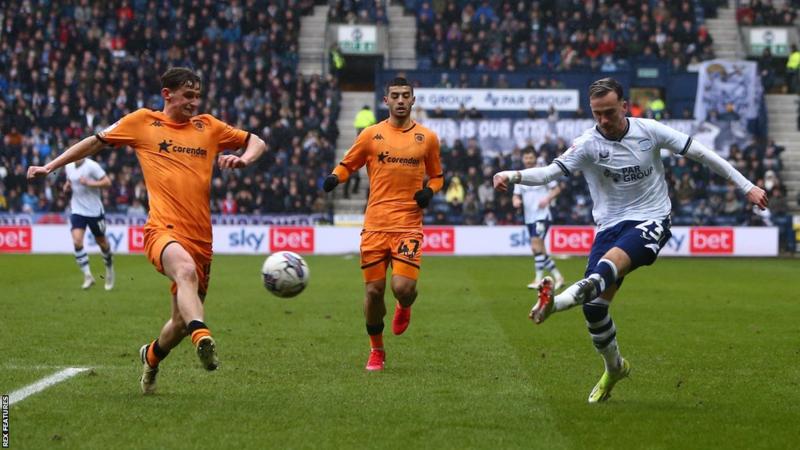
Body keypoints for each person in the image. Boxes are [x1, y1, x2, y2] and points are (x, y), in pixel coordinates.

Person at [493, 78, 767, 403]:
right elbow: (550, 173)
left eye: (609, 112)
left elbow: (703, 154)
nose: (604, 120)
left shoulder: (649, 130)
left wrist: (747, 185)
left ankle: (553, 306)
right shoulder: (588, 145)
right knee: (595, 308)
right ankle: (614, 368)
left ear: (625, 106)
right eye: (597, 114)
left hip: (652, 219)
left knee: (605, 270)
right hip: (608, 227)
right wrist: (513, 175)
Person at [27, 67, 266, 394]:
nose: (194, 102)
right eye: (188, 96)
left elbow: (256, 140)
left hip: (202, 237)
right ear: (167, 95)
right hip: (162, 229)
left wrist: (245, 159)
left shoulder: (209, 127)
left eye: (197, 96)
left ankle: (151, 357)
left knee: (178, 324)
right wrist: (51, 166)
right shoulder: (142, 122)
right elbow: (94, 142)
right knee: (184, 271)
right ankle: (203, 336)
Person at [322, 77, 443, 371]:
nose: (400, 100)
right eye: (395, 96)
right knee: (374, 292)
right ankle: (376, 350)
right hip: (375, 224)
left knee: (402, 287)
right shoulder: (370, 135)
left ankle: (405, 305)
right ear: (385, 100)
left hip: (408, 224)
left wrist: (429, 191)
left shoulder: (427, 138)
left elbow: (438, 177)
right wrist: (335, 178)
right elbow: (349, 163)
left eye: (405, 96)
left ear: (413, 101)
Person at [512, 148, 564, 290]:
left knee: (536, 245)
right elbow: (516, 195)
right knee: (538, 249)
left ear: (535, 158)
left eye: (530, 158)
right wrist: (515, 201)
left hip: (542, 216)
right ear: (522, 159)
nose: (528, 160)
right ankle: (558, 277)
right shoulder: (519, 177)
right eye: (526, 158)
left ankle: (538, 279)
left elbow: (557, 189)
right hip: (529, 218)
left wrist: (547, 198)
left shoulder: (543, 173)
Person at [62, 157, 115, 290]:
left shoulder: (92, 166)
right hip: (77, 209)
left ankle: (109, 269)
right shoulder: (68, 166)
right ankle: (87, 275)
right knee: (77, 242)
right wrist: (66, 187)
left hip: (94, 211)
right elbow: (68, 183)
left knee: (102, 243)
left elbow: (107, 182)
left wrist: (90, 183)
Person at [347, 105, 377, 198]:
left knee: (360, 142)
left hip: (359, 129)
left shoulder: (359, 113)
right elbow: (374, 123)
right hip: (366, 129)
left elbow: (355, 123)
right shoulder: (370, 113)